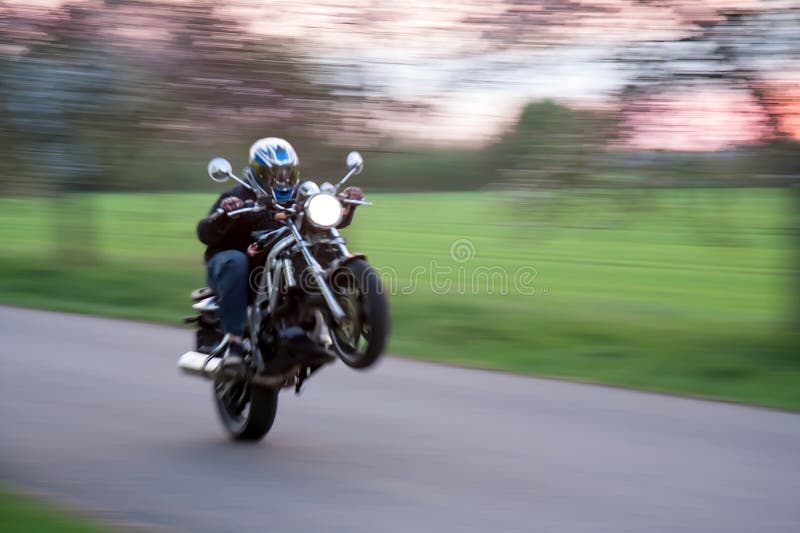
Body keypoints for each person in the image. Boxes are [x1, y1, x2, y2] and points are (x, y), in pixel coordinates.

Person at [197, 137, 362, 368]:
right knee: (235, 261)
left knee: (321, 249)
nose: (282, 180)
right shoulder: (238, 196)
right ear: (258, 173)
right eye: (273, 174)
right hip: (240, 270)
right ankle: (235, 343)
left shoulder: (302, 193)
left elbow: (325, 220)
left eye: (287, 173)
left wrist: (346, 204)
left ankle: (319, 323)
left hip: (277, 269)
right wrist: (227, 214)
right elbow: (204, 233)